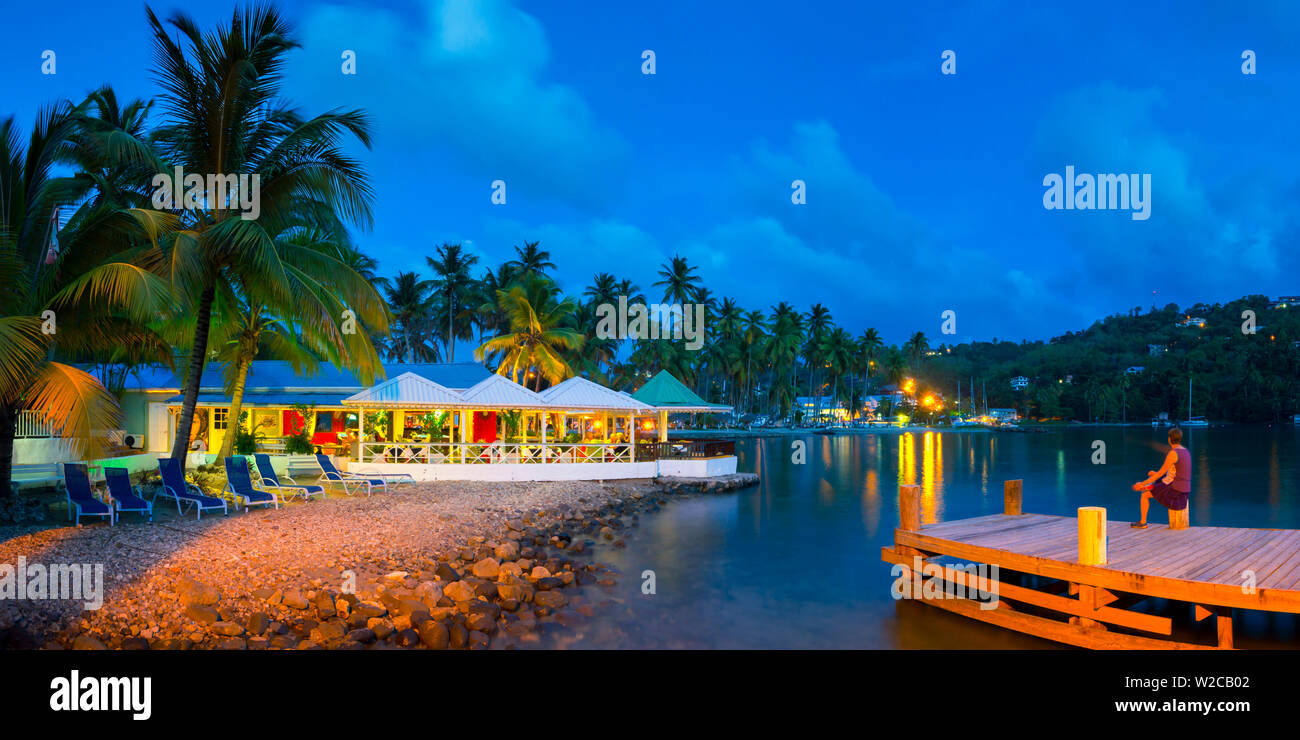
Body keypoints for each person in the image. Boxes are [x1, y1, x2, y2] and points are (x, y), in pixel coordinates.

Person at [1130, 427, 1191, 528]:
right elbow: (1176, 472)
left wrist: (1142, 484)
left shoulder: (1173, 453)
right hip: (1184, 489)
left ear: (1169, 439)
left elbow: (1161, 473)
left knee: (1145, 493)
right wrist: (1155, 474)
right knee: (1155, 479)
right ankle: (1147, 486)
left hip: (1175, 489)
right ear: (1180, 439)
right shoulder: (1186, 451)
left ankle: (1143, 522)